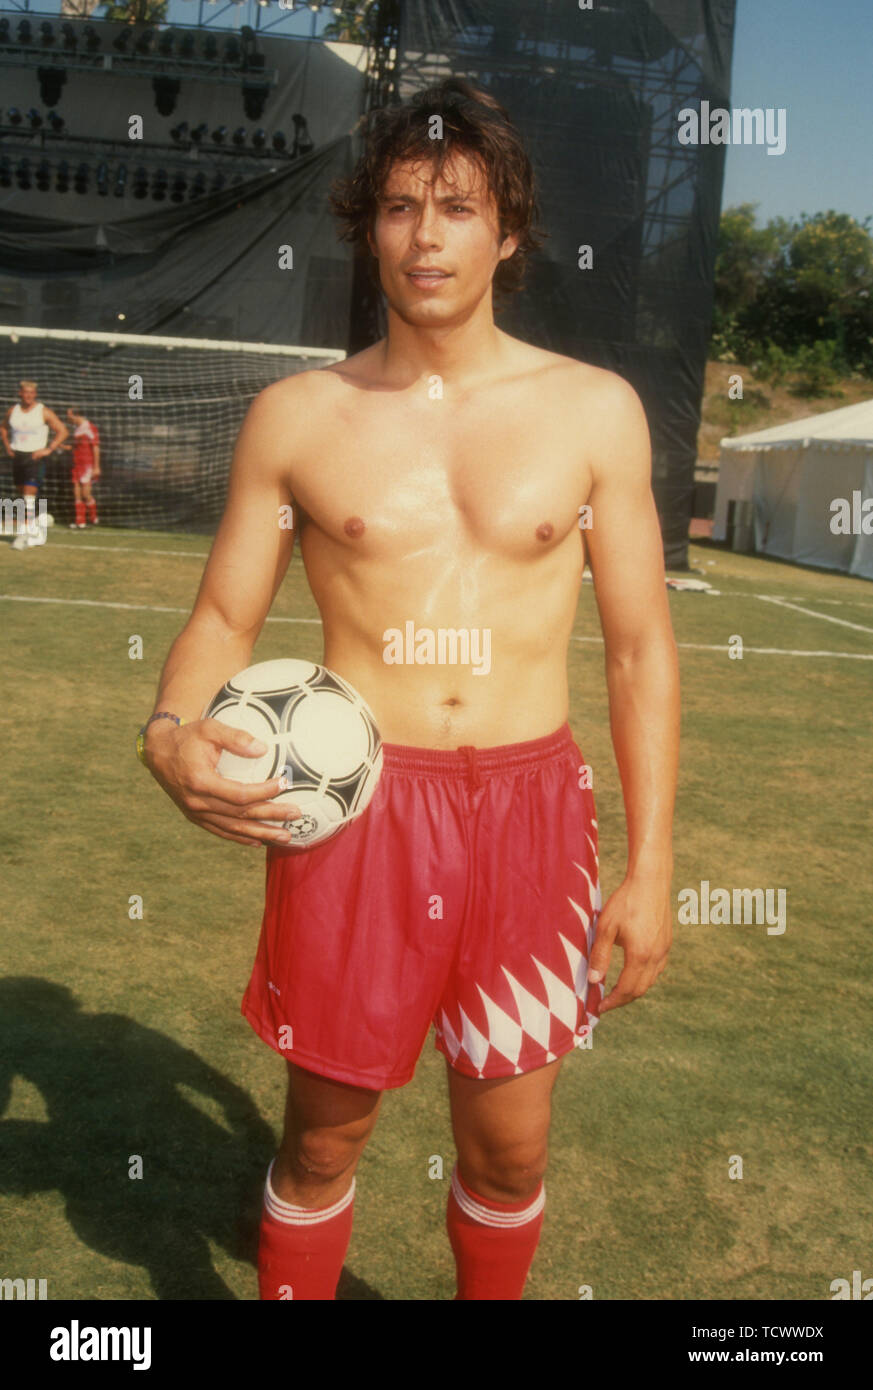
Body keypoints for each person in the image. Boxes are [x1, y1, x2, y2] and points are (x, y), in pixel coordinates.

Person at [140, 79, 680, 1301]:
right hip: (357, 814)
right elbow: (225, 615)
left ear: (509, 233)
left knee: (511, 1147)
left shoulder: (595, 412)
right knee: (325, 1138)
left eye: (457, 206)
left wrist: (649, 868)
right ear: (367, 226)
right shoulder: (296, 416)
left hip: (531, 818)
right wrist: (169, 730)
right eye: (398, 205)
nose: (425, 235)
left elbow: (641, 647)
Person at [1, 379, 68, 546]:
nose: (28, 395)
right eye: (26, 392)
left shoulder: (43, 411)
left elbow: (62, 431)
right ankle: (38, 523)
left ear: (35, 394)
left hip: (35, 457)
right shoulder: (13, 411)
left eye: (32, 393)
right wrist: (8, 446)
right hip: (18, 457)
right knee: (22, 493)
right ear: (20, 393)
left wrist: (48, 449)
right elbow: (3, 428)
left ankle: (24, 534)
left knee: (28, 495)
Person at [65, 407, 101, 529]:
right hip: (76, 464)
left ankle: (93, 518)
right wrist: (61, 446)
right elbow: (75, 448)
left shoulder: (89, 427)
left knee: (86, 494)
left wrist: (96, 466)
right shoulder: (76, 430)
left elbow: (95, 447)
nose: (67, 418)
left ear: (76, 415)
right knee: (77, 493)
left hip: (87, 465)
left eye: (69, 415)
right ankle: (80, 521)